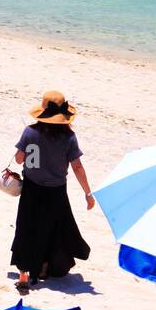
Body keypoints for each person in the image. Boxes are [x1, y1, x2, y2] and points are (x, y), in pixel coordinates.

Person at [10, 91, 94, 294]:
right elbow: (77, 167)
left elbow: (20, 160)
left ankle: (23, 273)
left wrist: (26, 151)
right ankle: (45, 267)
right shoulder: (69, 137)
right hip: (56, 191)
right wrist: (88, 193)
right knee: (51, 230)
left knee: (26, 228)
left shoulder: (30, 132)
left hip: (32, 188)